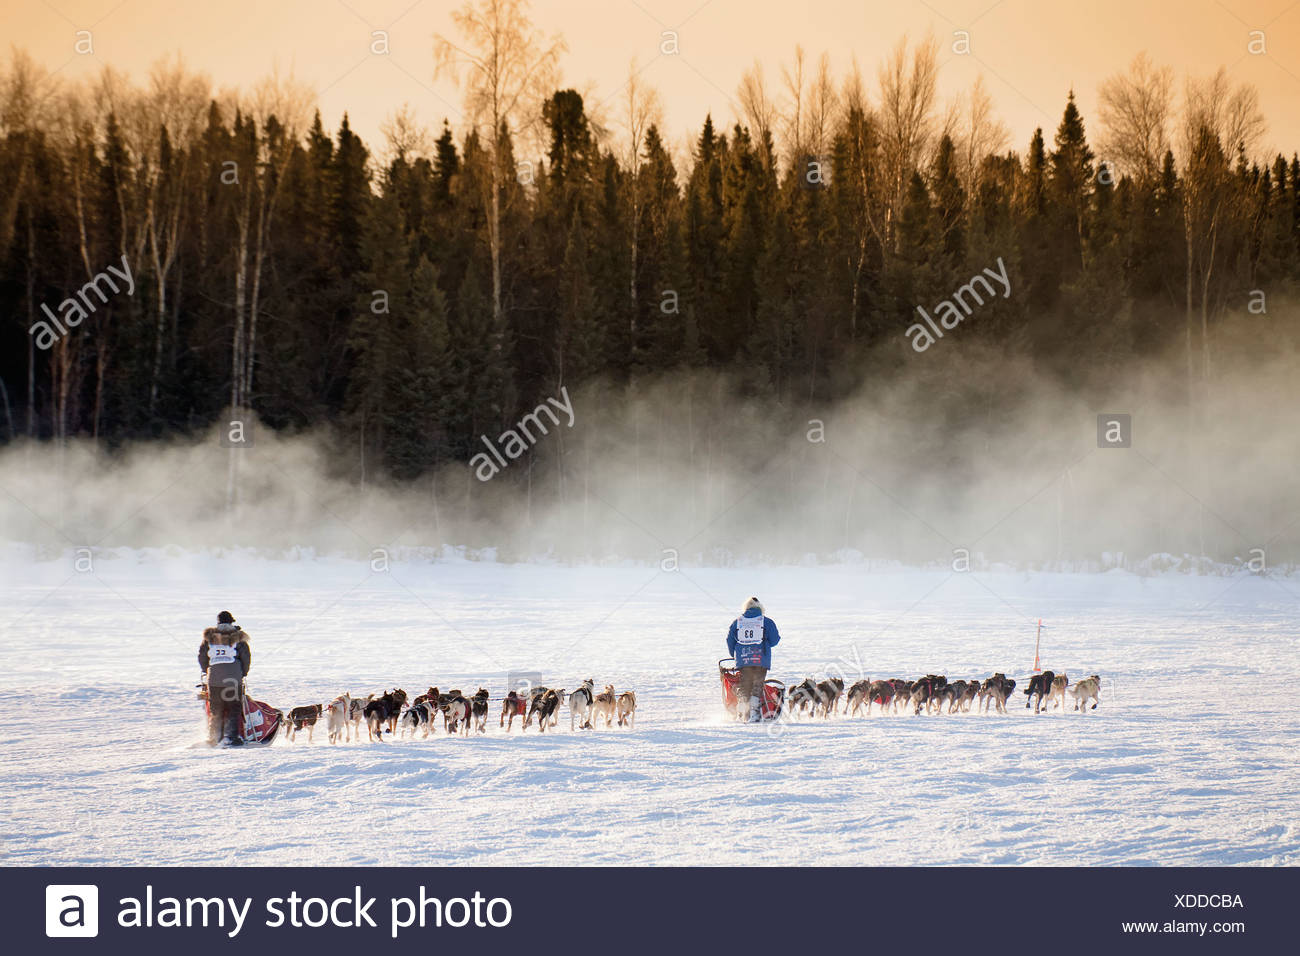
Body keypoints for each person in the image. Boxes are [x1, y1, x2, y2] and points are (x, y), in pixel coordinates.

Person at [199, 610, 252, 746]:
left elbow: (202, 657)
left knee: (216, 709)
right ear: (231, 622)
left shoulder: (209, 639)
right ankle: (231, 738)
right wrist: (243, 673)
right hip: (233, 680)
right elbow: (246, 658)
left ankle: (214, 737)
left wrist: (207, 671)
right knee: (233, 708)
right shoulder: (238, 638)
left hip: (214, 680)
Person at [726, 597, 781, 722]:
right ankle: (754, 713)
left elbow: (730, 640)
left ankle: (743, 713)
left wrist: (733, 655)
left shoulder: (737, 622)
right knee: (757, 685)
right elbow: (774, 640)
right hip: (760, 660)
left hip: (743, 660)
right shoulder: (766, 622)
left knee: (745, 686)